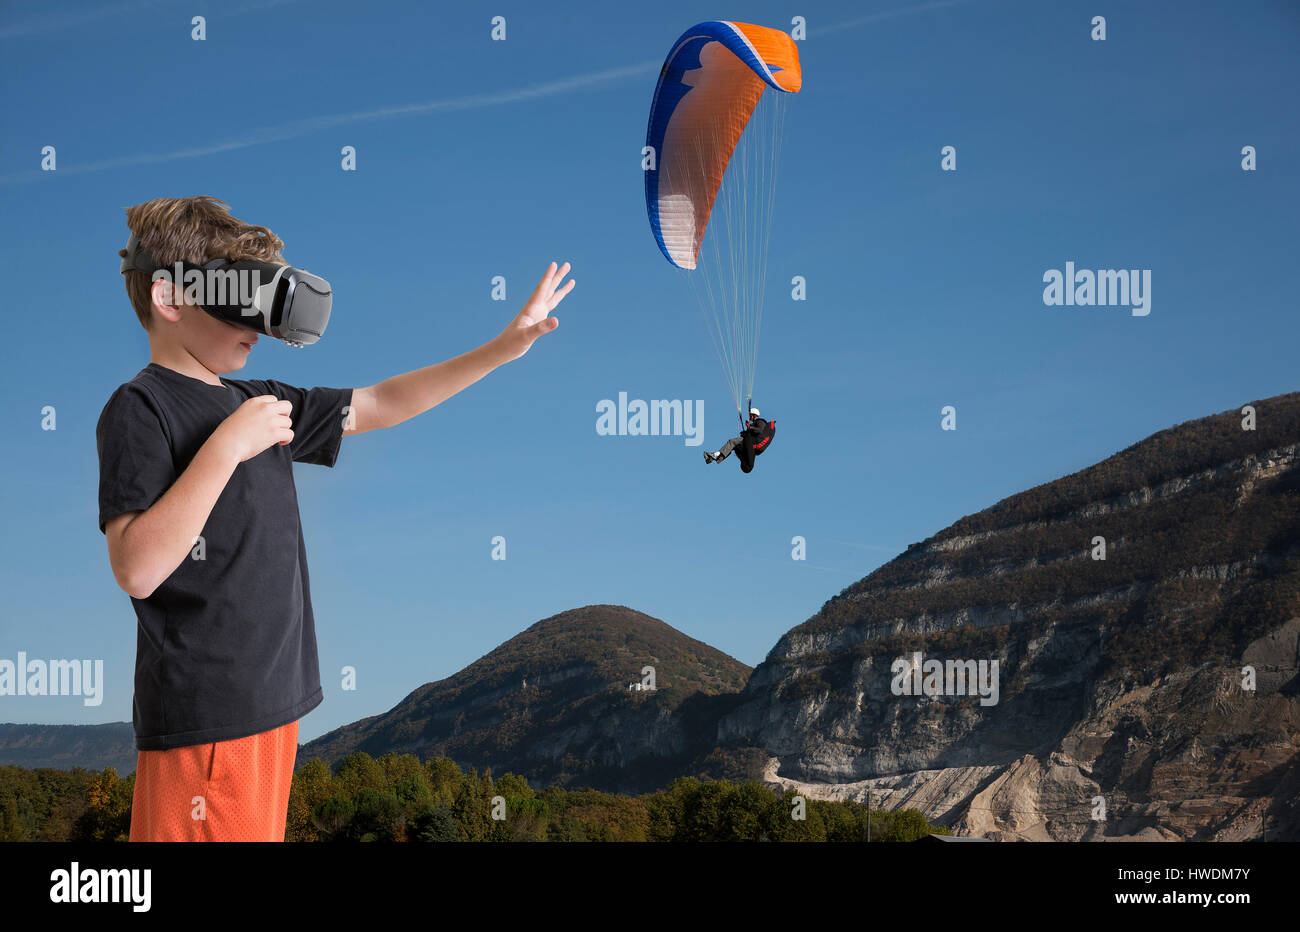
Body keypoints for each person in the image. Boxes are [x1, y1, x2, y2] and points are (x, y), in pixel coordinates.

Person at [97, 196, 573, 841]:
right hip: (207, 718)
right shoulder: (140, 406)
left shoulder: (263, 400)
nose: (260, 327)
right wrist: (228, 447)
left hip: (271, 707)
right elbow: (138, 567)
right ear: (171, 298)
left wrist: (501, 349)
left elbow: (379, 402)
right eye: (241, 299)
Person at [704, 407, 775, 473]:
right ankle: (716, 457)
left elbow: (759, 430)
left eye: (750, 415)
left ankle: (716, 455)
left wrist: (750, 427)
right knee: (734, 446)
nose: (749, 417)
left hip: (751, 442)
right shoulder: (755, 423)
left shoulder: (760, 421)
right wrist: (746, 432)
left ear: (754, 415)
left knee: (732, 442)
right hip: (749, 442)